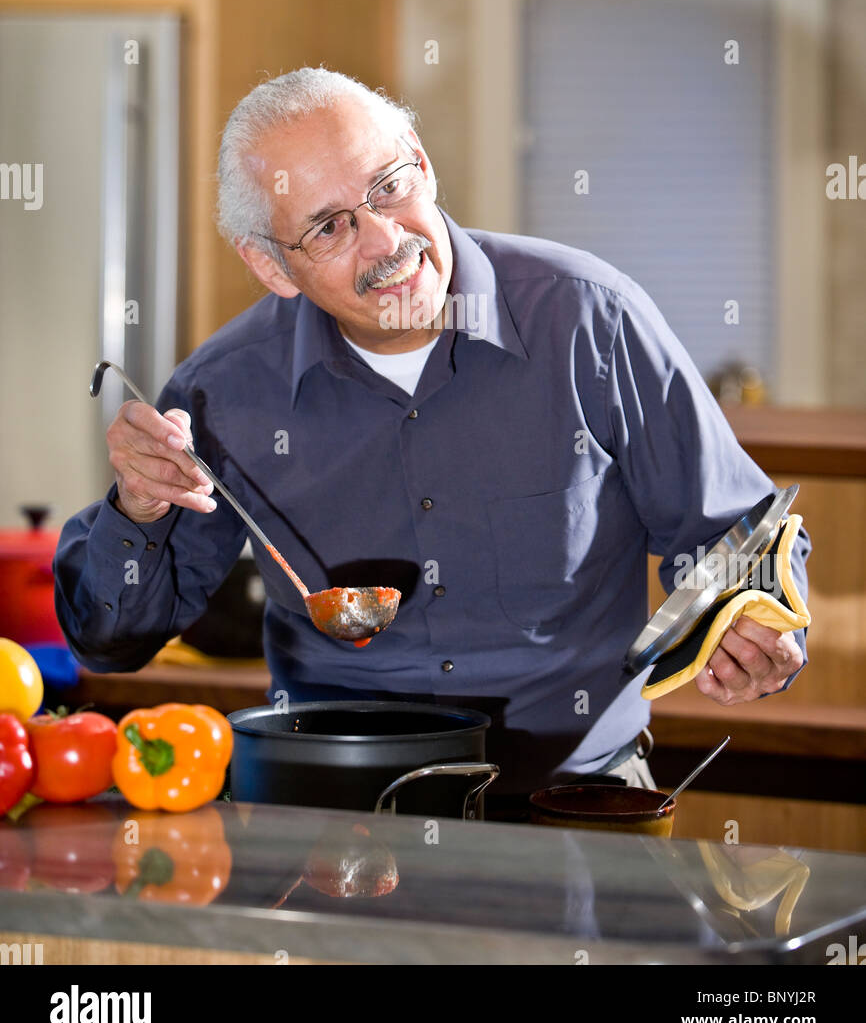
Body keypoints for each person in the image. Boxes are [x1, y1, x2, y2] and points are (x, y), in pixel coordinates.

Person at [54, 67, 810, 814]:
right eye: (329, 226)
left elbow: (737, 539)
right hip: (334, 820)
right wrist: (139, 513)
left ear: (422, 159)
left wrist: (755, 622)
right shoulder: (225, 392)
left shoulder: (590, 321)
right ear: (271, 265)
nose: (387, 240)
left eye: (388, 186)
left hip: (579, 801)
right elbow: (112, 643)